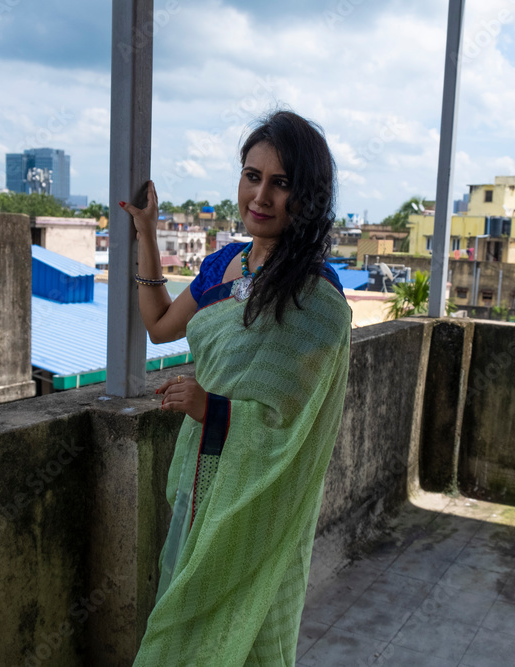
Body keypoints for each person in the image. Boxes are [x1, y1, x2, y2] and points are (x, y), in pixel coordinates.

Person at [121, 110, 352, 666]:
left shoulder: (316, 295)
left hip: (261, 492)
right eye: (253, 176)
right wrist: (147, 233)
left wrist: (211, 407)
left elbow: (293, 423)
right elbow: (159, 325)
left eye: (282, 182)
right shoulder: (226, 263)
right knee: (190, 605)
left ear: (308, 195)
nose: (262, 195)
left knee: (252, 622)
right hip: (200, 479)